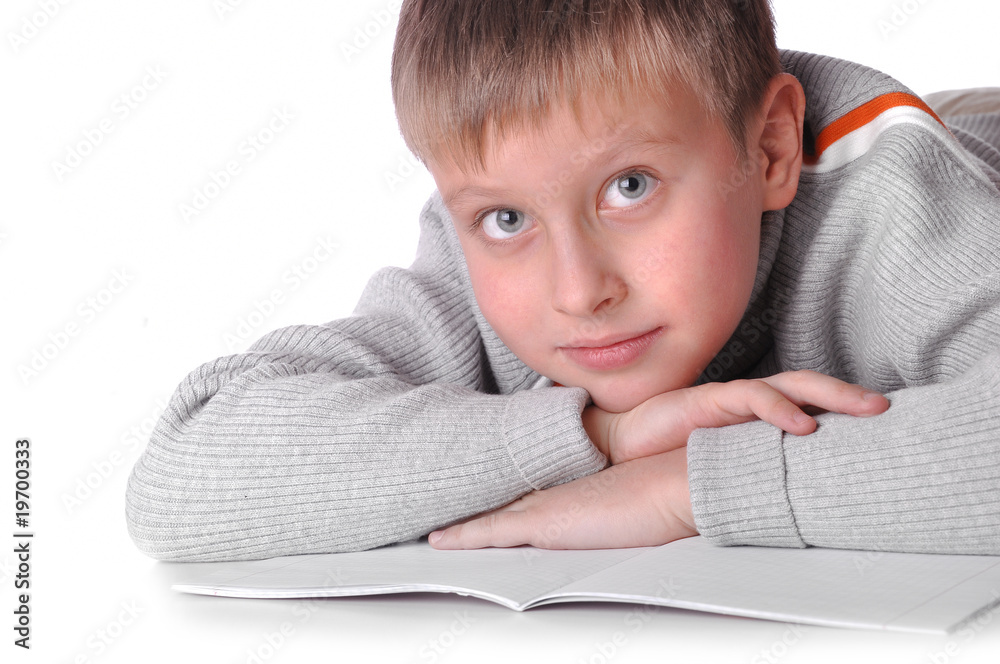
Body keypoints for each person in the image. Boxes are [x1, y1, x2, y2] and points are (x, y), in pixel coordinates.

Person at [125, 0, 1000, 562]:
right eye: (505, 219)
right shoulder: (484, 253)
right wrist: (601, 435)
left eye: (630, 187)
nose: (578, 292)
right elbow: (180, 474)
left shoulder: (890, 198)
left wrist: (682, 487)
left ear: (770, 149)